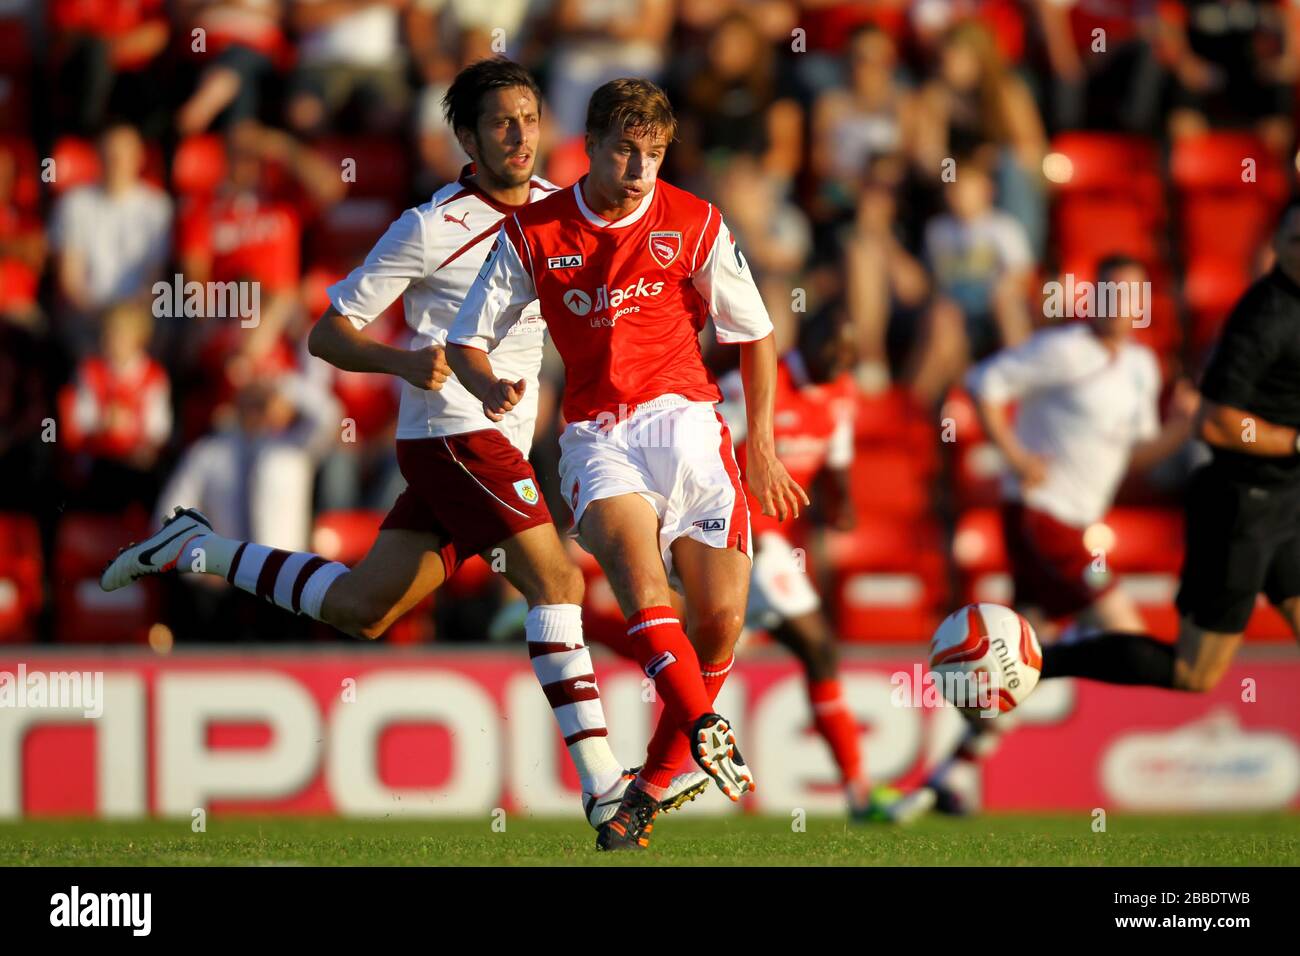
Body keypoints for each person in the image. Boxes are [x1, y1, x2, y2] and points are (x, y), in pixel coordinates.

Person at [102, 58, 705, 827]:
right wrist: (403, 361)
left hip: (504, 441)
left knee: (365, 607)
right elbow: (328, 333)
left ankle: (197, 548)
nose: (520, 136)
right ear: (466, 136)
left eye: (529, 119)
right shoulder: (430, 226)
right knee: (556, 585)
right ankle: (601, 786)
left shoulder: (564, 209)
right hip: (452, 432)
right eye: (500, 123)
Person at [447, 77, 807, 850]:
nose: (641, 169)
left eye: (654, 153)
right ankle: (707, 727)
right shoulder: (534, 232)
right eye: (624, 151)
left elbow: (755, 334)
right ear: (591, 144)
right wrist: (487, 382)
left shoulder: (696, 220)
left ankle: (642, 790)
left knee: (722, 621)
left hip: (690, 427)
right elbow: (463, 341)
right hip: (597, 435)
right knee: (645, 586)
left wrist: (763, 445)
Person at [890, 255, 1203, 820]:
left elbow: (1135, 455)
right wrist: (1014, 456)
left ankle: (948, 774)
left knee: (1020, 656)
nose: (1122, 305)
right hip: (1041, 516)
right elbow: (984, 382)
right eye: (1112, 292)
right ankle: (1019, 664)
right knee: (1123, 634)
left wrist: (1185, 427)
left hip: (1080, 524)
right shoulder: (1062, 350)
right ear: (1095, 298)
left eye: (1133, 295)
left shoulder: (1141, 366)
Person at [717, 309, 884, 819]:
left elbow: (836, 459)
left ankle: (858, 791)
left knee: (713, 653)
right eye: (833, 347)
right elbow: (702, 449)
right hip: (737, 536)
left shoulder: (843, 392)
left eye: (851, 352)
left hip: (775, 543)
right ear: (805, 339)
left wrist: (843, 504)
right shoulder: (753, 384)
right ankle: (859, 791)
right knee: (819, 646)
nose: (841, 359)